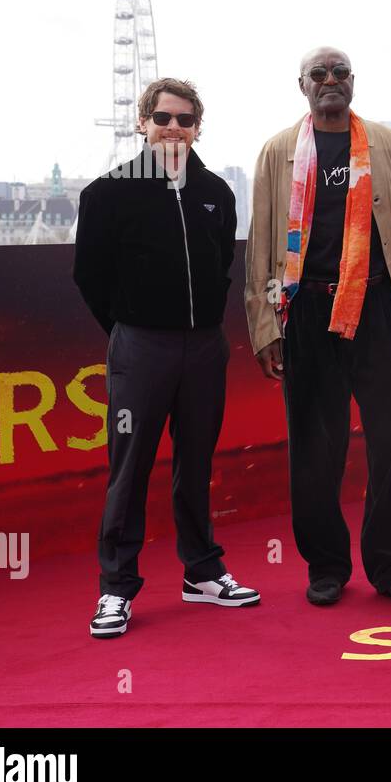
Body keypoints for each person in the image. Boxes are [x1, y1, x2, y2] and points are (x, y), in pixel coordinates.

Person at [245, 47, 391, 608]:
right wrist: (264, 325)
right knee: (314, 447)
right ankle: (326, 565)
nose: (331, 81)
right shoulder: (278, 151)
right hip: (307, 310)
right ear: (301, 85)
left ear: (353, 81)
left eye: (340, 73)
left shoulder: (386, 144)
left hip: (382, 309)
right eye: (319, 74)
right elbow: (260, 245)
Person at [74, 77, 259, 639]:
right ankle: (115, 588)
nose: (173, 128)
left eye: (183, 120)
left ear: (197, 126)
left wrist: (192, 327)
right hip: (140, 346)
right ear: (142, 123)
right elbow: (90, 276)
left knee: (196, 463)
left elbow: (222, 267)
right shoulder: (107, 193)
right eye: (162, 118)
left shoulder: (217, 193)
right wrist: (130, 329)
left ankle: (201, 572)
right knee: (128, 469)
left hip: (204, 346)